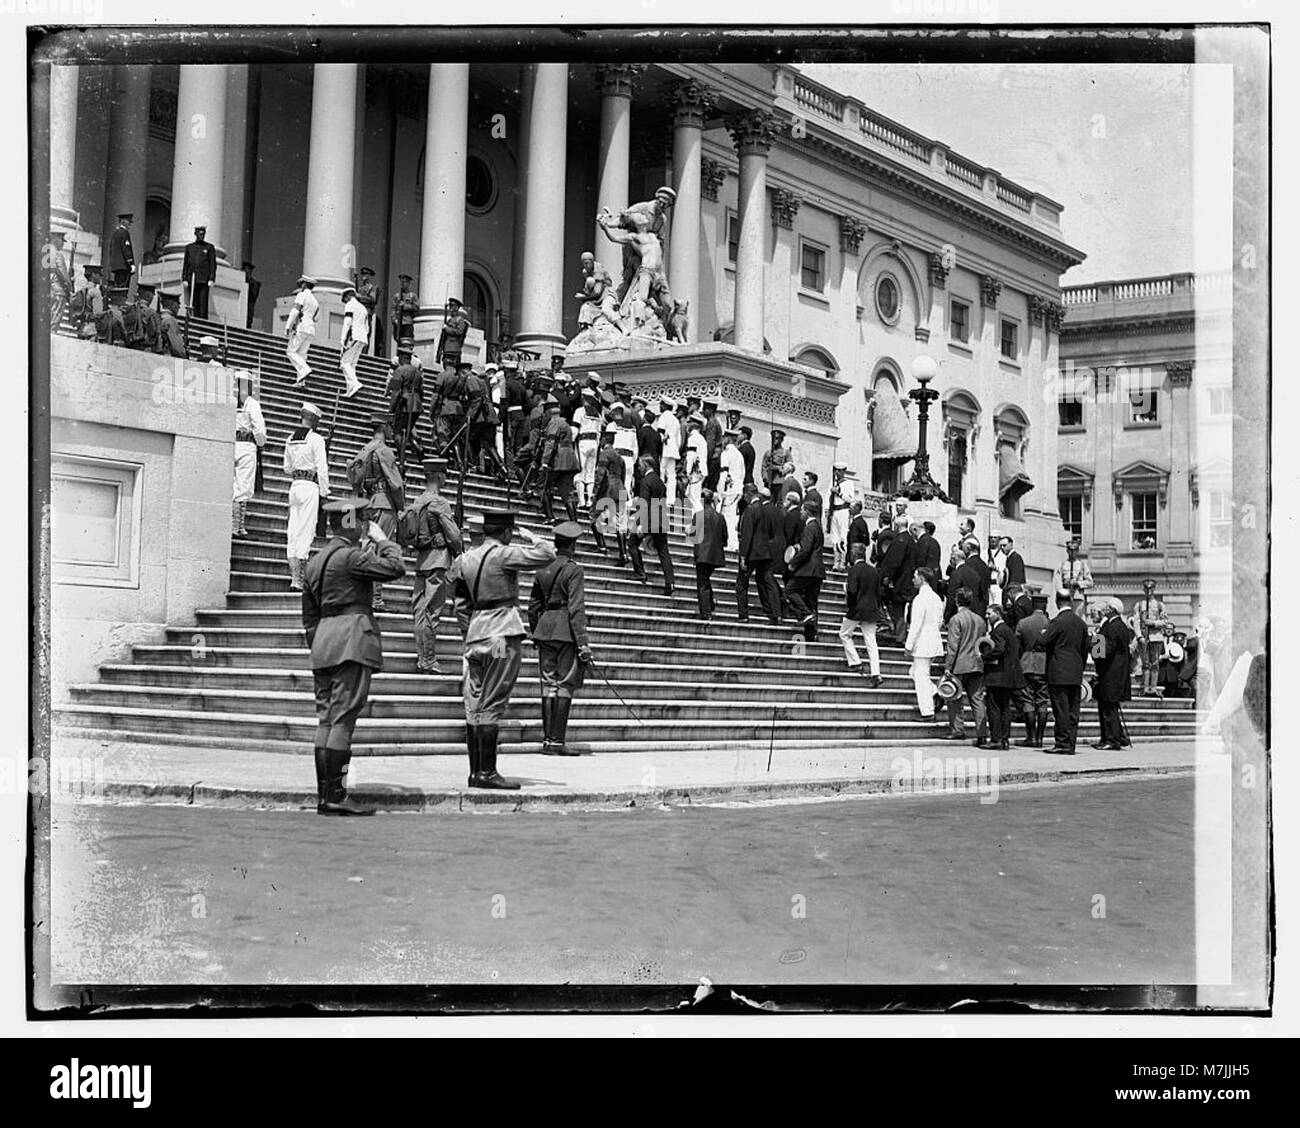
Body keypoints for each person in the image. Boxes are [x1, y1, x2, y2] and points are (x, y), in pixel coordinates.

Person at [302, 497, 406, 815]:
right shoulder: (351, 557)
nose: (363, 527)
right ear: (354, 523)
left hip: (323, 644)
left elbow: (309, 616)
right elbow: (396, 567)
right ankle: (337, 795)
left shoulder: (315, 561)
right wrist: (383, 539)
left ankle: (326, 795)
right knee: (343, 721)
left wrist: (321, 642)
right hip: (351, 642)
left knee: (326, 720)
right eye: (361, 521)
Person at [448, 509, 556, 789]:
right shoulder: (504, 554)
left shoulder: (465, 559)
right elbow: (547, 554)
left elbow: (459, 602)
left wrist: (469, 628)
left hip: (476, 635)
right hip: (500, 637)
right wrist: (533, 538)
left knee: (474, 702)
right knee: (493, 699)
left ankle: (475, 772)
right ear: (507, 532)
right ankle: (487, 772)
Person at [529, 521, 592, 756]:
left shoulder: (543, 568)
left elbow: (533, 606)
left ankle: (548, 741)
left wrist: (537, 631)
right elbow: (576, 608)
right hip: (566, 631)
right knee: (564, 683)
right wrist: (583, 642)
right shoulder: (574, 570)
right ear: (572, 545)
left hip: (545, 629)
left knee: (548, 683)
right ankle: (557, 741)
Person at [409, 457, 463, 675]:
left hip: (422, 560)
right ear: (440, 477)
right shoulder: (440, 503)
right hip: (438, 560)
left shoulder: (418, 500)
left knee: (419, 611)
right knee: (432, 611)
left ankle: (421, 658)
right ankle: (429, 660)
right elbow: (454, 536)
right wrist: (459, 550)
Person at [349, 414, 405, 609]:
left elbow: (354, 479)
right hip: (384, 503)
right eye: (390, 427)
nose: (392, 430)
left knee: (366, 547)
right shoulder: (385, 450)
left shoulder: (364, 450)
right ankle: (376, 598)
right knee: (380, 548)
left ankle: (364, 594)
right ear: (385, 427)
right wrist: (401, 506)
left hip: (368, 502)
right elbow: (395, 484)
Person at [283, 401, 331, 589]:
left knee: (293, 531)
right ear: (314, 419)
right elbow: (322, 468)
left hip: (295, 485)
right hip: (310, 487)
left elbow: (286, 468)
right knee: (305, 531)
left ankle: (294, 577)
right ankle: (299, 579)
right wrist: (325, 491)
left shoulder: (290, 438)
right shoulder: (316, 439)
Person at [1035, 596, 1091, 754]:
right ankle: (1071, 742)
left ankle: (1062, 742)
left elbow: (1042, 641)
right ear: (1071, 603)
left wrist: (1043, 633)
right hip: (1075, 671)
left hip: (1058, 670)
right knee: (1073, 710)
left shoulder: (1057, 622)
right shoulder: (1081, 623)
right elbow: (1086, 648)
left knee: (1061, 709)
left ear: (1057, 603)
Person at [941, 586, 988, 744]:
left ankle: (957, 730)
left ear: (956, 600)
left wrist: (948, 667)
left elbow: (953, 646)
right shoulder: (980, 620)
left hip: (960, 664)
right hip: (977, 663)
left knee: (954, 698)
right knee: (977, 699)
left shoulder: (956, 619)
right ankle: (982, 733)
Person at [628, 455, 675, 595]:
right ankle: (670, 582)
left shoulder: (645, 481)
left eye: (640, 465)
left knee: (632, 543)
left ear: (646, 465)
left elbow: (644, 504)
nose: (639, 468)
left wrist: (640, 523)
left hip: (648, 520)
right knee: (664, 552)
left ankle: (640, 572)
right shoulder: (660, 482)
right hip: (660, 520)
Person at [1092, 597, 1134, 749]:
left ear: (1112, 610)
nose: (1104, 610)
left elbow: (1106, 650)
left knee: (1108, 709)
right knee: (1108, 707)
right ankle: (1114, 737)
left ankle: (1112, 740)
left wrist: (1094, 641)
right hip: (1115, 672)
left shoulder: (1113, 626)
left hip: (1111, 673)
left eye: (1107, 608)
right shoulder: (1119, 625)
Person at [904, 567, 945, 721]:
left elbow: (916, 624)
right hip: (933, 640)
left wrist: (909, 645)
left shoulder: (920, 599)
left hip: (922, 643)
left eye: (915, 576)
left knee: (921, 676)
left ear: (922, 578)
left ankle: (927, 711)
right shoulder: (937, 598)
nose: (913, 579)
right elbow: (940, 621)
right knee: (914, 672)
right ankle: (935, 693)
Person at [981, 604, 1024, 750]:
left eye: (990, 614)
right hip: (1008, 675)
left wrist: (984, 656)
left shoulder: (998, 631)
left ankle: (996, 739)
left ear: (998, 614)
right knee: (1005, 708)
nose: (987, 616)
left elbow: (999, 649)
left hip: (997, 675)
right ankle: (1004, 739)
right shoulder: (1008, 630)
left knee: (994, 707)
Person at [839, 542, 882, 684]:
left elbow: (852, 591)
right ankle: (876, 673)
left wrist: (850, 605)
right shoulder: (874, 571)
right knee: (871, 642)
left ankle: (855, 661)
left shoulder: (853, 570)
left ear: (853, 555)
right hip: (871, 609)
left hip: (857, 609)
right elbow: (878, 593)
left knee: (844, 634)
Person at [231, 370, 267, 539]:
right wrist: (260, 443)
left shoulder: (230, 400)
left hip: (231, 444)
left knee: (233, 485)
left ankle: (237, 526)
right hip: (246, 446)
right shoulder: (252, 403)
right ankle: (236, 527)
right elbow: (259, 429)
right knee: (243, 487)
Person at [736, 485, 779, 624]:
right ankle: (776, 613)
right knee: (769, 583)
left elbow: (746, 535)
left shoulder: (750, 510)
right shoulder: (766, 510)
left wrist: (743, 556)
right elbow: (772, 532)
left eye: (744, 495)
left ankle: (743, 614)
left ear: (748, 494)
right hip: (765, 552)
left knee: (741, 583)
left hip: (752, 553)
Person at [785, 497, 825, 641]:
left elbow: (806, 550)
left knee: (790, 589)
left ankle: (804, 613)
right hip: (817, 570)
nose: (800, 513)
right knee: (811, 601)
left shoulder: (810, 527)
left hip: (808, 569)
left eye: (802, 510)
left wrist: (793, 563)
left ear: (807, 511)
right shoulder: (817, 527)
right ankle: (811, 633)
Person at [1013, 592, 1051, 748]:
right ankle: (1040, 738)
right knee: (1042, 701)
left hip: (1027, 663)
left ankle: (1031, 737)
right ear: (1045, 606)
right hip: (1044, 665)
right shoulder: (1050, 623)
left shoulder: (1023, 623)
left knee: (1028, 700)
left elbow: (1017, 647)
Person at [590, 424, 629, 564]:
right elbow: (623, 475)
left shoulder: (604, 454)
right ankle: (623, 554)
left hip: (608, 489)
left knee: (593, 517)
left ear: (604, 440)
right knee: (620, 523)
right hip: (620, 489)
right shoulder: (619, 456)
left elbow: (600, 476)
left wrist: (594, 493)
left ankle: (601, 546)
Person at [539, 394, 580, 523]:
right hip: (570, 460)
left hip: (558, 459)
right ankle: (574, 520)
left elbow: (550, 443)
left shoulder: (554, 423)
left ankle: (549, 516)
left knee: (544, 487)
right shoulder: (565, 423)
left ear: (548, 412)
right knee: (567, 493)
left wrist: (545, 461)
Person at [385, 339, 424, 471]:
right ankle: (417, 447)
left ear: (401, 357)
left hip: (404, 404)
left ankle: (402, 457)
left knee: (397, 432)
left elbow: (395, 392)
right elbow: (422, 391)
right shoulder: (417, 372)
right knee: (408, 429)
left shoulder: (399, 371)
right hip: (416, 405)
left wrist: (391, 408)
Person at [879, 516, 917, 644]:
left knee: (898, 610)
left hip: (899, 581)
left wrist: (887, 577)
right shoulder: (911, 540)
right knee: (899, 610)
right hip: (907, 580)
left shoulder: (900, 540)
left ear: (896, 526)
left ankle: (899, 636)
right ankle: (899, 634)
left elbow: (894, 562)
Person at [691, 488, 728, 621]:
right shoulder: (720, 517)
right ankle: (710, 602)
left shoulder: (698, 516)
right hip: (715, 554)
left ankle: (706, 612)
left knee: (702, 582)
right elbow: (725, 538)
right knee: (705, 579)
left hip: (702, 553)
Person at [1135, 579, 1172, 696]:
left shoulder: (1160, 605)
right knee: (1145, 663)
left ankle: (1153, 688)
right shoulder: (1139, 605)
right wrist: (1139, 636)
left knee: (1155, 663)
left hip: (1156, 637)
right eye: (1146, 588)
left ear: (1154, 589)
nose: (1148, 591)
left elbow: (1165, 622)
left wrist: (1153, 623)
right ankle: (1145, 688)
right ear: (1143, 590)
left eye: (1151, 588)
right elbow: (1136, 622)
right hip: (1143, 637)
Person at [285, 275, 319, 385]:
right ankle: (301, 382)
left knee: (290, 351)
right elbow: (316, 318)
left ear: (304, 285)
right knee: (302, 355)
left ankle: (305, 369)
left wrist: (288, 326)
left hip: (302, 327)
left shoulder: (302, 295)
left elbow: (295, 311)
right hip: (311, 329)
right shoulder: (315, 301)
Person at [944, 540, 988, 622]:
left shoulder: (956, 574)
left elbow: (951, 597)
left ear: (954, 559)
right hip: (976, 613)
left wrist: (946, 617)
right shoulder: (974, 573)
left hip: (961, 615)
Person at [1050, 537, 1094, 619]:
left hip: (1077, 598)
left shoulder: (1082, 565)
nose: (1072, 552)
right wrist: (1063, 591)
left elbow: (1090, 582)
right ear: (1067, 551)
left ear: (1077, 551)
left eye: (1074, 550)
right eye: (1070, 550)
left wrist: (1078, 583)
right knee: (1065, 618)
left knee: (1077, 619)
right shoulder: (1062, 565)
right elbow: (1057, 582)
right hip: (1065, 598)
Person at [573, 388, 603, 510]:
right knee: (590, 473)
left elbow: (575, 429)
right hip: (594, 443)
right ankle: (590, 499)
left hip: (583, 442)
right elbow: (599, 432)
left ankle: (581, 500)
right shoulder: (597, 414)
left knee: (580, 470)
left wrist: (571, 441)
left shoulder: (580, 411)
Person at [339, 285, 368, 398]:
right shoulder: (363, 307)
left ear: (348, 296)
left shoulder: (350, 305)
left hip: (353, 336)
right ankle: (350, 389)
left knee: (344, 362)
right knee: (352, 364)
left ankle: (355, 383)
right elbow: (367, 326)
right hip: (362, 338)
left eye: (345, 298)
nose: (345, 301)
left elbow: (347, 322)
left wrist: (342, 339)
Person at [182, 225, 217, 319]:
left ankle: (202, 320)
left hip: (203, 280)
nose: (202, 236)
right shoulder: (190, 247)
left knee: (203, 303)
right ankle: (195, 319)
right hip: (192, 279)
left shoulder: (209, 247)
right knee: (194, 302)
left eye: (203, 234)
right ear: (195, 234)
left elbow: (212, 264)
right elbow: (186, 264)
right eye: (200, 234)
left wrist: (211, 278)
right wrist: (184, 278)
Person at [718, 431, 746, 547]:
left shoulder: (726, 454)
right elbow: (742, 474)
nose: (723, 441)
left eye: (724, 438)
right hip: (737, 488)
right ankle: (733, 543)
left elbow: (724, 473)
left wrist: (720, 490)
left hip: (728, 489)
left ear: (728, 439)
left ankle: (729, 542)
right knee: (732, 516)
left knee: (727, 516)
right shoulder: (739, 455)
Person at [655, 396, 682, 507]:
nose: (660, 406)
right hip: (673, 450)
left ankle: (661, 497)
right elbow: (679, 439)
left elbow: (660, 434)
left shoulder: (663, 417)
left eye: (661, 404)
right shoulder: (676, 420)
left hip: (665, 448)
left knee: (661, 472)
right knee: (671, 474)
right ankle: (671, 500)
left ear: (666, 406)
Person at [44, 229, 73, 326]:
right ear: (55, 239)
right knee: (54, 321)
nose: (63, 244)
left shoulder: (44, 251)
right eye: (62, 240)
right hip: (58, 290)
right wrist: (69, 288)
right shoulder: (58, 254)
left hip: (47, 289)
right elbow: (63, 274)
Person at [827, 463, 853, 570]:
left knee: (843, 536)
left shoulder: (848, 483)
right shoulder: (832, 483)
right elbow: (828, 496)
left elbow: (850, 499)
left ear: (844, 471)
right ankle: (836, 561)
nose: (837, 473)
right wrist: (827, 510)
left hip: (843, 510)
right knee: (835, 537)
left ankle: (842, 562)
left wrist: (839, 492)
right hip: (834, 511)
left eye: (840, 471)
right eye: (836, 470)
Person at [682, 413, 708, 512]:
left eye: (689, 422)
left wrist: (688, 471)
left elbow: (691, 456)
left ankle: (698, 518)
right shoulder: (701, 438)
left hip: (695, 472)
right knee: (692, 497)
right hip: (700, 470)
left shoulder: (693, 438)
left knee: (694, 499)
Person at [436, 297, 470, 370]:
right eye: (450, 306)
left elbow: (459, 332)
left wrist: (447, 329)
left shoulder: (460, 320)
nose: (450, 308)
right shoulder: (449, 320)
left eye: (452, 306)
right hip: (447, 348)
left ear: (457, 308)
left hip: (454, 348)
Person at [355, 265, 380, 353]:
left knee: (366, 332)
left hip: (367, 311)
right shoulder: (359, 288)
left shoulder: (372, 288)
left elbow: (373, 299)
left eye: (365, 274)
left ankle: (364, 352)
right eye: (362, 274)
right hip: (359, 312)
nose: (363, 276)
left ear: (369, 275)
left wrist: (360, 297)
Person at [107, 212, 135, 289]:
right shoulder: (125, 233)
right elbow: (126, 249)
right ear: (123, 222)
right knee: (123, 288)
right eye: (129, 222)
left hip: (116, 267)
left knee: (118, 287)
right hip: (124, 266)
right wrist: (131, 263)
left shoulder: (115, 234)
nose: (130, 224)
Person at [391, 274, 419, 349]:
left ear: (408, 283)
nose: (403, 284)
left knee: (407, 341)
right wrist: (394, 319)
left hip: (407, 321)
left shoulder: (412, 296)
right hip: (398, 322)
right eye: (402, 282)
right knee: (398, 339)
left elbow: (416, 307)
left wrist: (405, 306)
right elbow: (393, 309)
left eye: (405, 282)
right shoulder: (397, 296)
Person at [761, 429, 789, 498]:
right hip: (769, 481)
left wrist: (777, 468)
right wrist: (765, 477)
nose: (774, 440)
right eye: (773, 438)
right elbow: (764, 466)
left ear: (781, 440)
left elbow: (790, 467)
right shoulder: (768, 452)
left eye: (776, 438)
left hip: (779, 481)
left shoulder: (785, 452)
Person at [157, 292, 187, 357]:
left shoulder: (158, 317)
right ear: (171, 304)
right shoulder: (171, 320)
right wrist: (184, 354)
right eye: (177, 303)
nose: (179, 307)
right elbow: (177, 348)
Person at [243, 261, 262, 329]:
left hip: (248, 310)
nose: (247, 271)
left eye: (248, 269)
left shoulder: (254, 283)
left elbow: (253, 295)